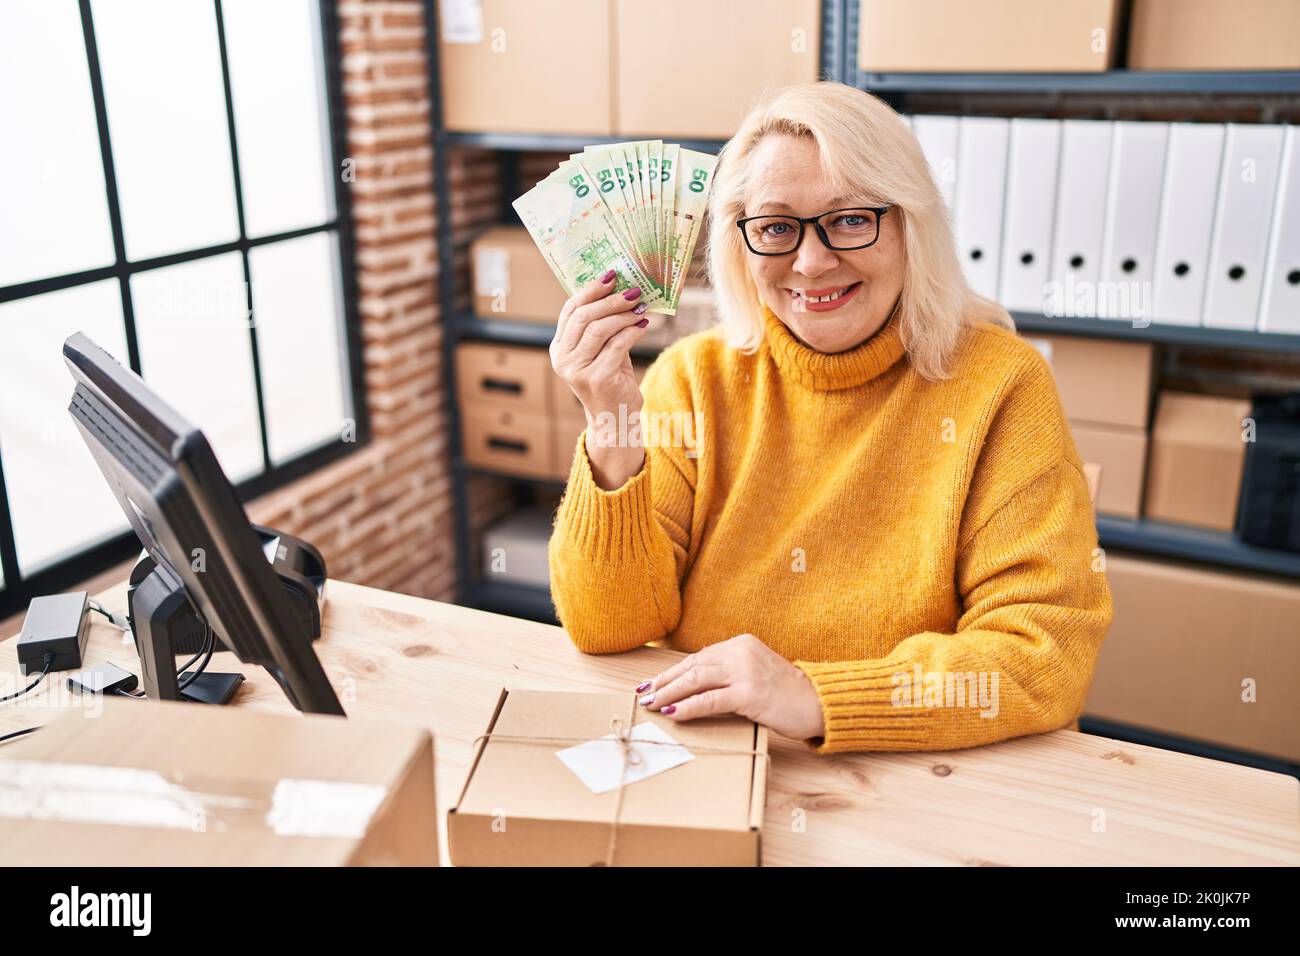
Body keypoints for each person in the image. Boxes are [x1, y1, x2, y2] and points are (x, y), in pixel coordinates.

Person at [546, 81, 1112, 754]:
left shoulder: (1002, 384)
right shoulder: (692, 378)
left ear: (909, 224)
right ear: (742, 243)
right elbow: (607, 626)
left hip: (924, 773)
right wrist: (609, 418)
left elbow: (1043, 655)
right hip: (718, 756)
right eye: (777, 227)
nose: (811, 263)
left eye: (849, 220)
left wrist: (814, 695)